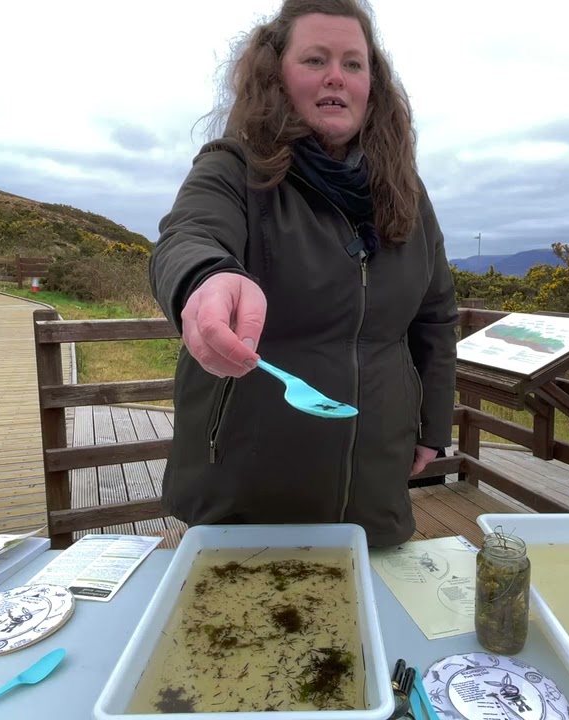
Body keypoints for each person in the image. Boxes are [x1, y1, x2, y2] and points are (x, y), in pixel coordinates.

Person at [149, 0, 458, 547]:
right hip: (246, 489)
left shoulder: (405, 191)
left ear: (373, 83)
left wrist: (432, 425)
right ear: (276, 75)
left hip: (375, 490)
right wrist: (207, 278)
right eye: (315, 60)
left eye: (354, 63)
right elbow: (189, 235)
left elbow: (434, 316)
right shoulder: (231, 169)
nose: (337, 76)